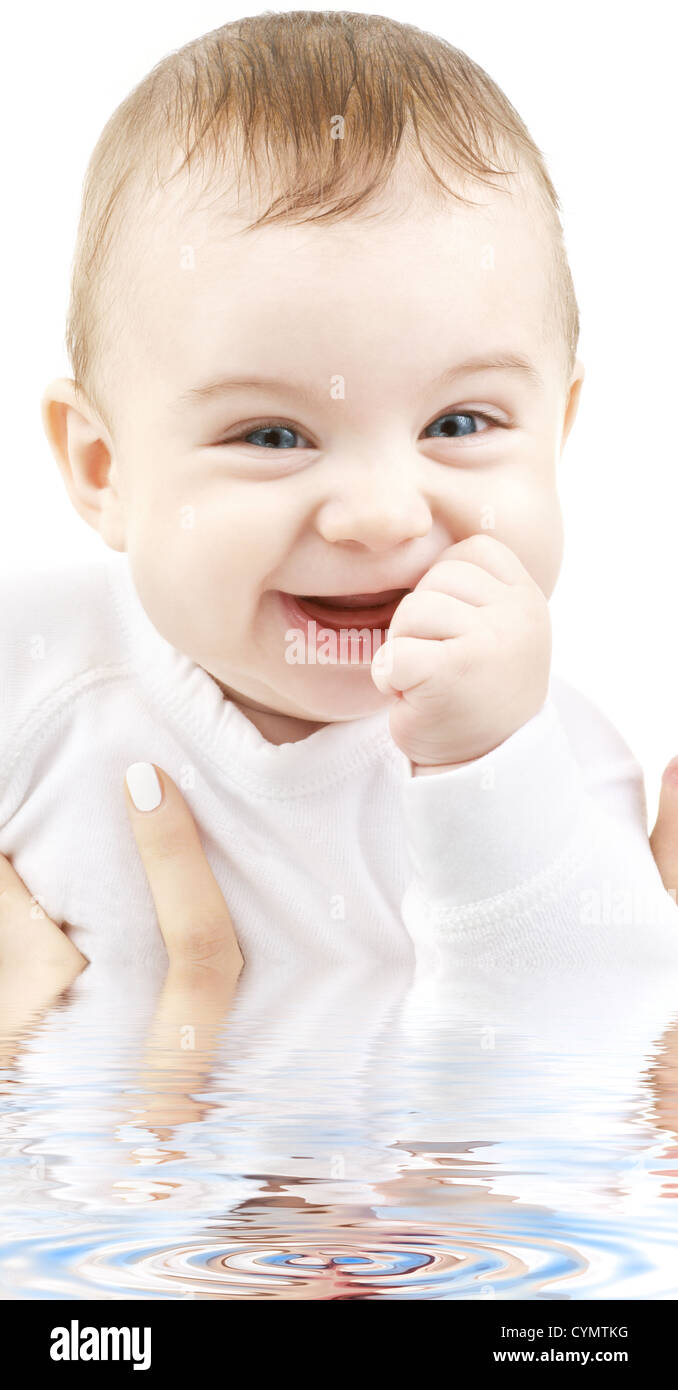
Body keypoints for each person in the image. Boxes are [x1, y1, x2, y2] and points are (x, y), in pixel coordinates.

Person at [3, 11, 678, 980]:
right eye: (273, 436)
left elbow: (596, 1046)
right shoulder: (38, 671)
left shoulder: (555, 761)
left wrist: (478, 775)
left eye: (458, 424)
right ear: (105, 468)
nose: (381, 515)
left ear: (559, 435)